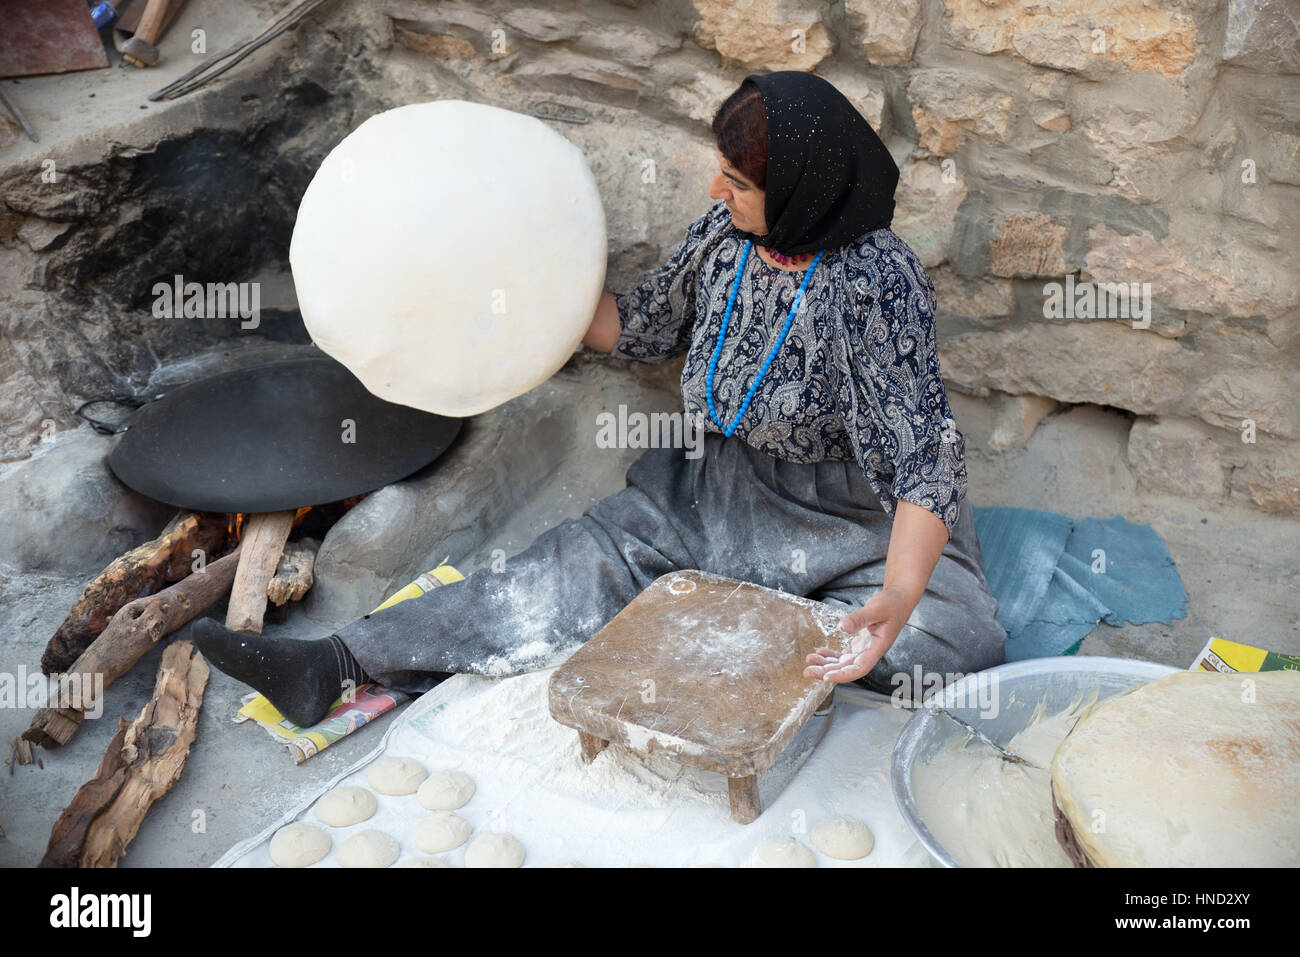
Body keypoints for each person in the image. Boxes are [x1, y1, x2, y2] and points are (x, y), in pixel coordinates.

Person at [193, 71, 1006, 728]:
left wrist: (897, 597)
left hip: (848, 518)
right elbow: (640, 326)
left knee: (943, 640)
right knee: (573, 566)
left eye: (737, 179)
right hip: (714, 488)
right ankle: (340, 662)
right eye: (719, 169)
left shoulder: (878, 287)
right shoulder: (727, 237)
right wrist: (505, 274)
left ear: (800, 189)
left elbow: (925, 464)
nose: (715, 188)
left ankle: (747, 635)